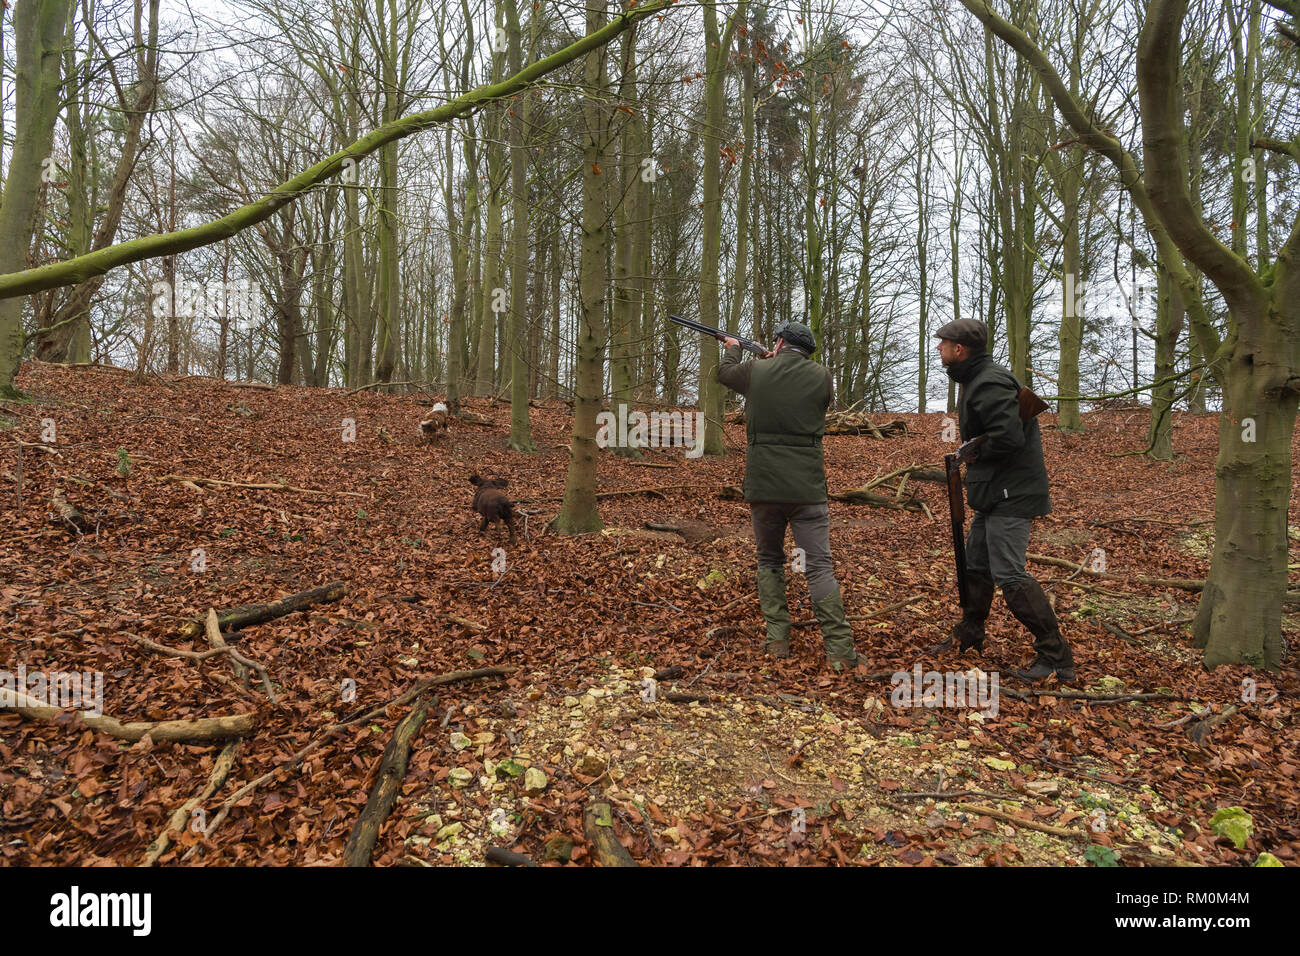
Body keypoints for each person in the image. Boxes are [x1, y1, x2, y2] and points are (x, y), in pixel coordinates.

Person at [930, 318, 1076, 681]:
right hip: (996, 490)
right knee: (976, 564)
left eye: (943, 343)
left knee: (1010, 574)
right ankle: (971, 632)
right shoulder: (977, 379)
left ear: (959, 349)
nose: (939, 349)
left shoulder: (989, 382)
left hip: (1011, 492)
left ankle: (1056, 656)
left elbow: (1008, 438)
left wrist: (972, 452)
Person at [716, 320, 858, 671]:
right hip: (807, 488)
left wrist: (733, 348)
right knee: (818, 565)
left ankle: (777, 640)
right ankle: (840, 652)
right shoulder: (823, 377)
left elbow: (725, 374)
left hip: (764, 486)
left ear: (778, 344)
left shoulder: (755, 371)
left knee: (769, 559)